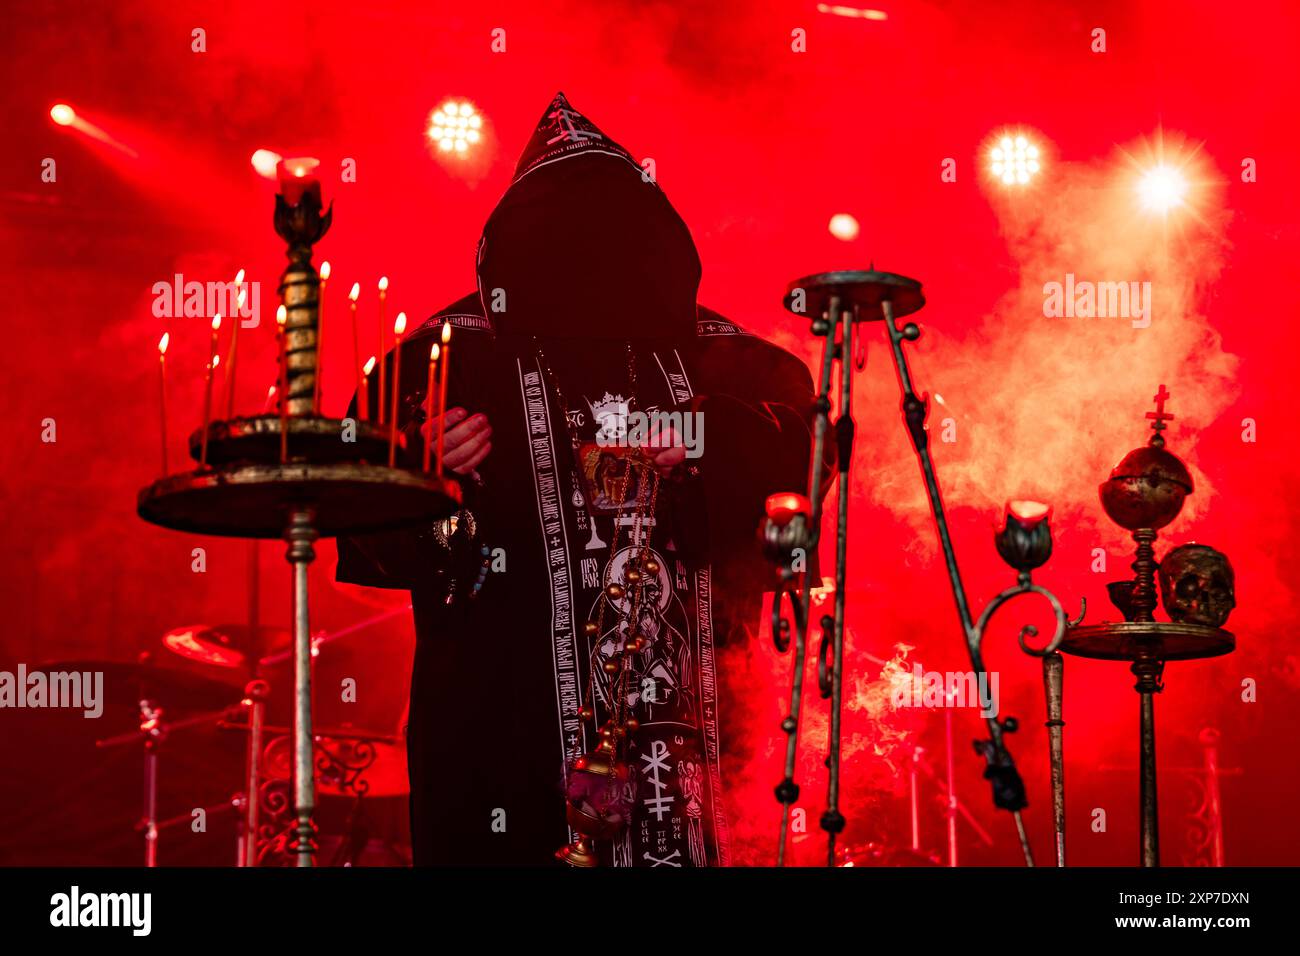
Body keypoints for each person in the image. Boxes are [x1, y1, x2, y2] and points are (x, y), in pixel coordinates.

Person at [337, 92, 825, 866]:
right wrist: (422, 474)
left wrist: (711, 439)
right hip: (502, 734)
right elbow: (364, 530)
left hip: (697, 736)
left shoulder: (734, 366)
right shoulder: (440, 365)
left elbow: (810, 474)